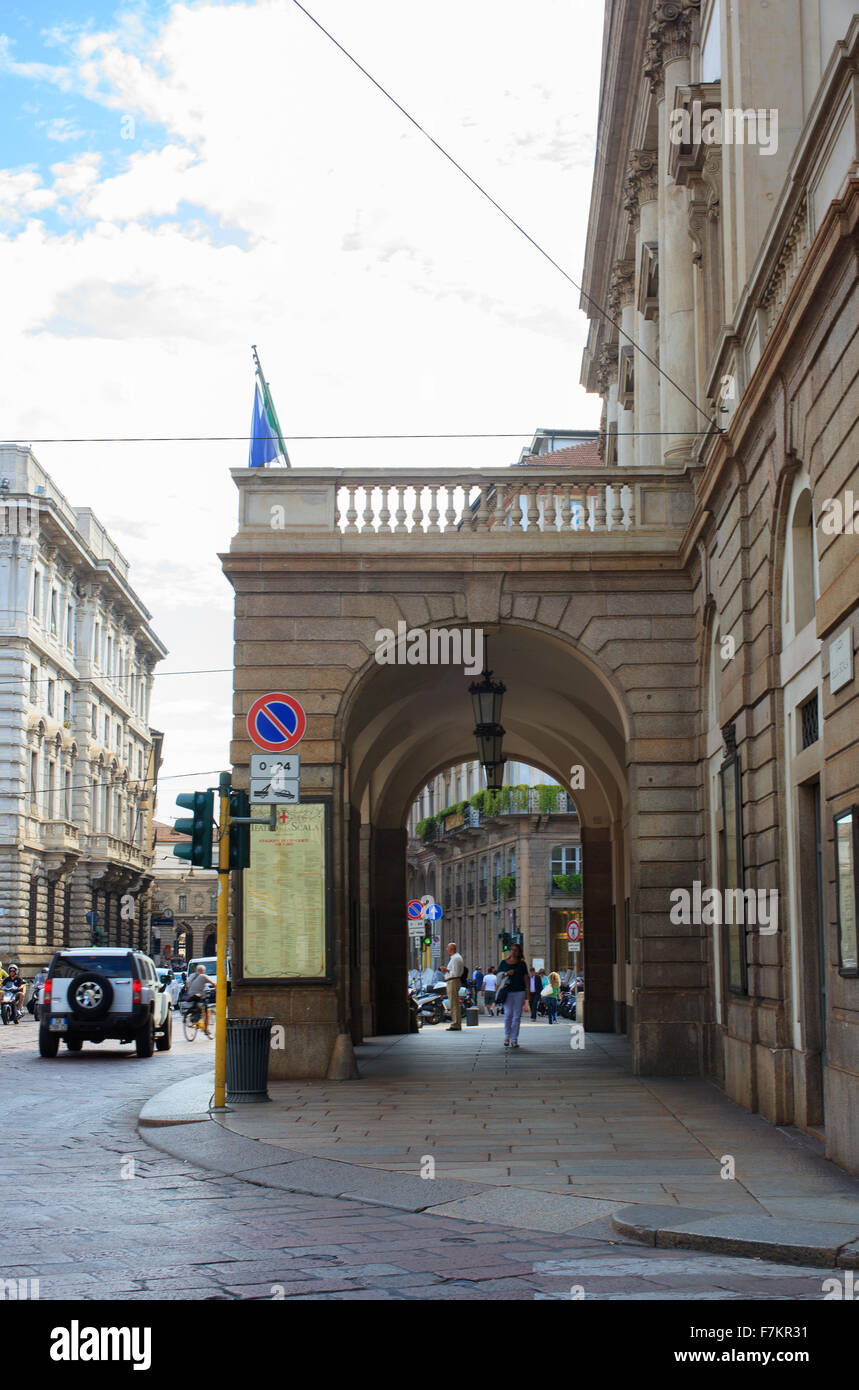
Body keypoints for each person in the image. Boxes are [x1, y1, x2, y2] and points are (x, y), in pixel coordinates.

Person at [497, 943, 529, 1048]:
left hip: (519, 991)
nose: (513, 952)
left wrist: (528, 991)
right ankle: (507, 1036)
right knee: (508, 1014)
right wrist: (506, 973)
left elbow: (526, 978)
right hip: (507, 991)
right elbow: (498, 977)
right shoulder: (503, 963)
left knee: (517, 1016)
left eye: (516, 950)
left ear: (519, 952)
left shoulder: (522, 964)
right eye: (512, 950)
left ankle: (514, 1039)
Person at [183, 965, 214, 1037]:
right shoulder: (203, 976)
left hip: (190, 997)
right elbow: (213, 984)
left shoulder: (191, 976)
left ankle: (192, 1018)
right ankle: (206, 1029)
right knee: (207, 1011)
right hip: (199, 997)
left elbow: (187, 985)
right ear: (203, 971)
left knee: (195, 1007)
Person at [441, 942, 465, 1031]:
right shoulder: (456, 958)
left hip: (453, 981)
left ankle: (455, 1024)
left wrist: (445, 970)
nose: (447, 949)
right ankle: (456, 1023)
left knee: (454, 1004)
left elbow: (455, 972)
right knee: (454, 1003)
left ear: (451, 949)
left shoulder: (455, 958)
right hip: (453, 981)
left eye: (448, 948)